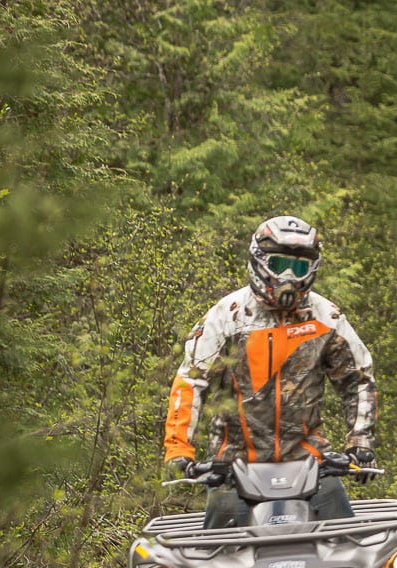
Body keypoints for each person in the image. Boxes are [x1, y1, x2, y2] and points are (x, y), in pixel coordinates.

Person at [162, 215, 378, 527]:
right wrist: (179, 450)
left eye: (299, 268)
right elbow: (191, 381)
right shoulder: (227, 317)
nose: (288, 276)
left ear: (312, 269)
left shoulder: (326, 318)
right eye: (279, 265)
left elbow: (358, 378)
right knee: (219, 550)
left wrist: (360, 442)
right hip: (233, 465)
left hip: (310, 461)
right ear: (259, 261)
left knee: (346, 541)